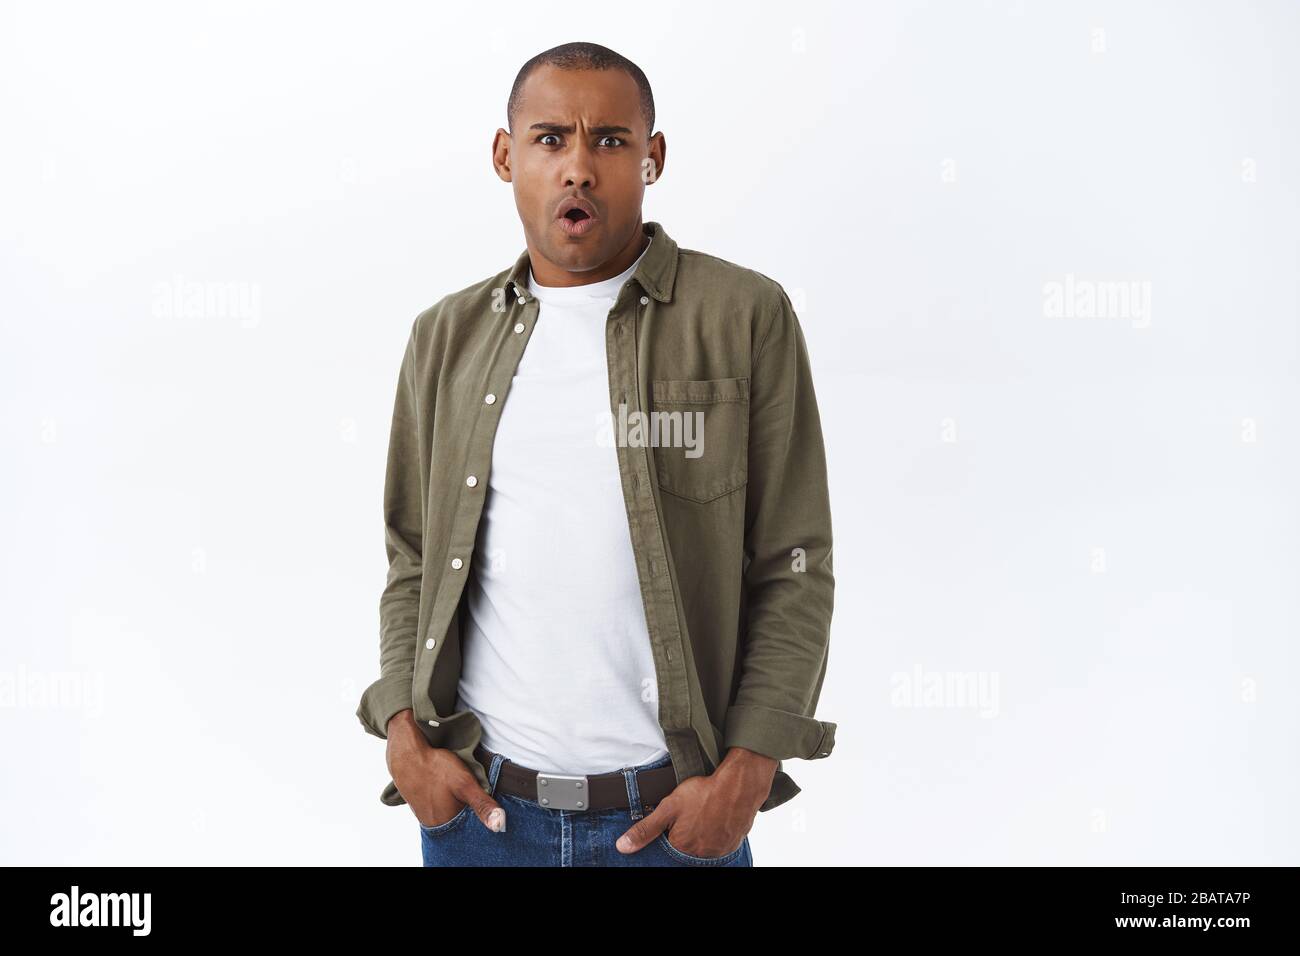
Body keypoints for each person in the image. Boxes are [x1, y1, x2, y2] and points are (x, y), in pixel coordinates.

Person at [356, 41, 837, 867]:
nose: (578, 166)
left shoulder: (743, 316)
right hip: (481, 820)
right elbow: (411, 557)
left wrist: (747, 775)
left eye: (610, 141)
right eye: (550, 140)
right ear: (506, 157)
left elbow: (794, 563)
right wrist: (404, 732)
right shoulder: (445, 337)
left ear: (652, 158)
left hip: (673, 825)